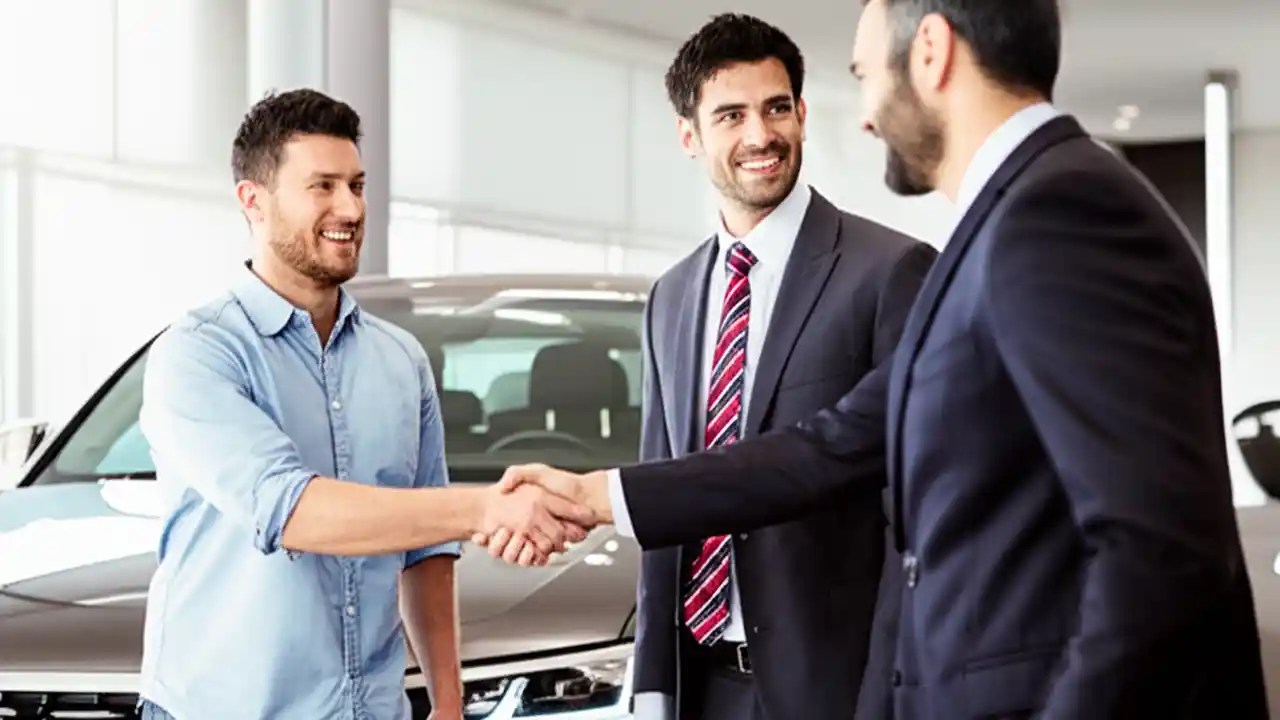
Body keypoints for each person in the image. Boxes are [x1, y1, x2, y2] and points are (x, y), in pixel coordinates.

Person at [482, 1, 1271, 717]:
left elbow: (1160, 553)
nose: (861, 117)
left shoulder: (1061, 213)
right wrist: (598, 493)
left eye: (864, 75)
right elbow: (830, 447)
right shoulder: (1007, 223)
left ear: (930, 52)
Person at [135, 89, 591, 720]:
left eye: (357, 183)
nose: (349, 207)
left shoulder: (399, 360)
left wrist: (448, 702)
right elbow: (292, 510)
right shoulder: (198, 354)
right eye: (321, 186)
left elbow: (427, 553)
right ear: (253, 202)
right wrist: (488, 506)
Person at [626, 13, 934, 720]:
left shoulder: (890, 273)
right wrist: (654, 684)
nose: (760, 136)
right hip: (701, 681)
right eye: (730, 115)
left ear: (801, 113)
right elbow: (663, 493)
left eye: (775, 108)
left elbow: (914, 514)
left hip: (833, 688)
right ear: (689, 137)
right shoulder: (670, 297)